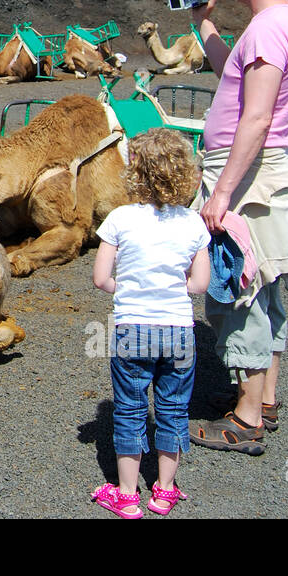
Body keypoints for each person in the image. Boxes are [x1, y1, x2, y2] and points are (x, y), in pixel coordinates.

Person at [188, 0, 288, 456]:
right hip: (268, 171)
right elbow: (232, 79)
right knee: (267, 286)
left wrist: (221, 194)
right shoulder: (285, 24)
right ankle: (265, 399)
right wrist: (203, 24)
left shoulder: (265, 30)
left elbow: (256, 117)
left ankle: (244, 419)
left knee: (237, 289)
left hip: (245, 176)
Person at [91, 128, 211, 518]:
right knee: (174, 408)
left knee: (129, 408)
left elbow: (101, 278)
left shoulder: (120, 219)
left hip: (132, 328)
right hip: (177, 329)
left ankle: (126, 495)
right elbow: (199, 284)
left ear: (135, 172)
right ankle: (164, 491)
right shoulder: (194, 224)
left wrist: (122, 289)